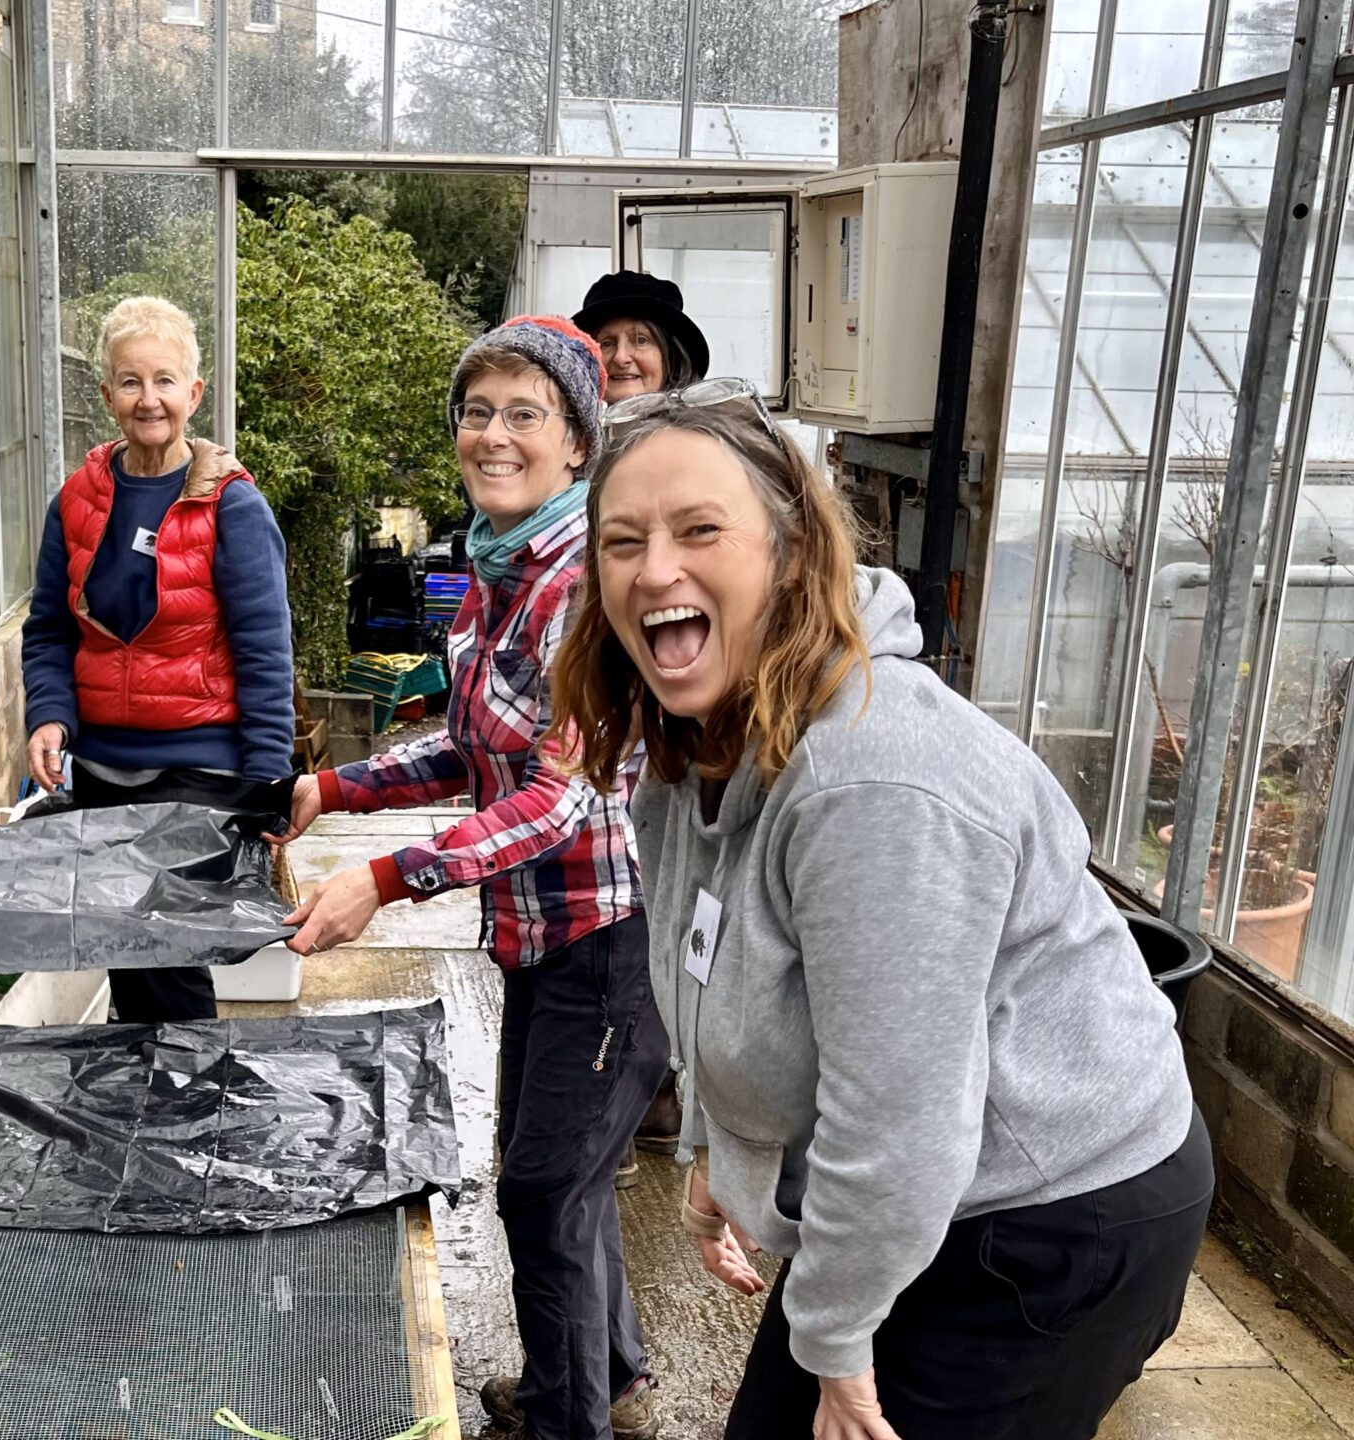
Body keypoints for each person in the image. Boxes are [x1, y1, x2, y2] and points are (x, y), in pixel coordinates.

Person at [548, 383, 1212, 1440]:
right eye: (623, 542)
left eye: (700, 530)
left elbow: (900, 1115)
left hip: (1047, 1217)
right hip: (923, 1193)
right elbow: (705, 967)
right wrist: (723, 1154)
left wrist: (840, 1347)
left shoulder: (870, 780)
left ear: (792, 552)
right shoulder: (693, 743)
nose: (655, 569)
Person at [270, 316, 668, 1440]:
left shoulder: (581, 584)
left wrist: (389, 879)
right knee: (560, 1177)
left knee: (545, 1190)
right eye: (477, 412)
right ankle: (607, 1378)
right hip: (540, 932)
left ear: (579, 441)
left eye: (524, 414)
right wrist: (334, 790)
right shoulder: (500, 566)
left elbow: (562, 797)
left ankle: (567, 1419)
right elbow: (470, 748)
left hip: (611, 934)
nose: (493, 435)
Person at [16, 295, 295, 1023]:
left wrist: (268, 784)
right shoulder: (77, 501)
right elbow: (49, 629)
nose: (149, 400)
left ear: (193, 394)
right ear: (106, 394)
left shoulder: (232, 507)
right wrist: (50, 716)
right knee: (126, 950)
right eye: (131, 381)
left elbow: (266, 653)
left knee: (167, 958)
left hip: (198, 767)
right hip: (103, 768)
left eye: (165, 381)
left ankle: (184, 1085)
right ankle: (153, 1084)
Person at [571, 269, 712, 1173]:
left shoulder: (698, 451)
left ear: (671, 359)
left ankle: (648, 1097)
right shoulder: (576, 448)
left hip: (674, 704)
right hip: (600, 700)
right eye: (608, 341)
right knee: (610, 902)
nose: (623, 356)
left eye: (641, 342)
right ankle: (629, 1099)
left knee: (660, 898)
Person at [572, 271, 709, 406]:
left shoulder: (703, 421)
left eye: (641, 341)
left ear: (672, 357)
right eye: (606, 344)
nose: (621, 358)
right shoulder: (563, 419)